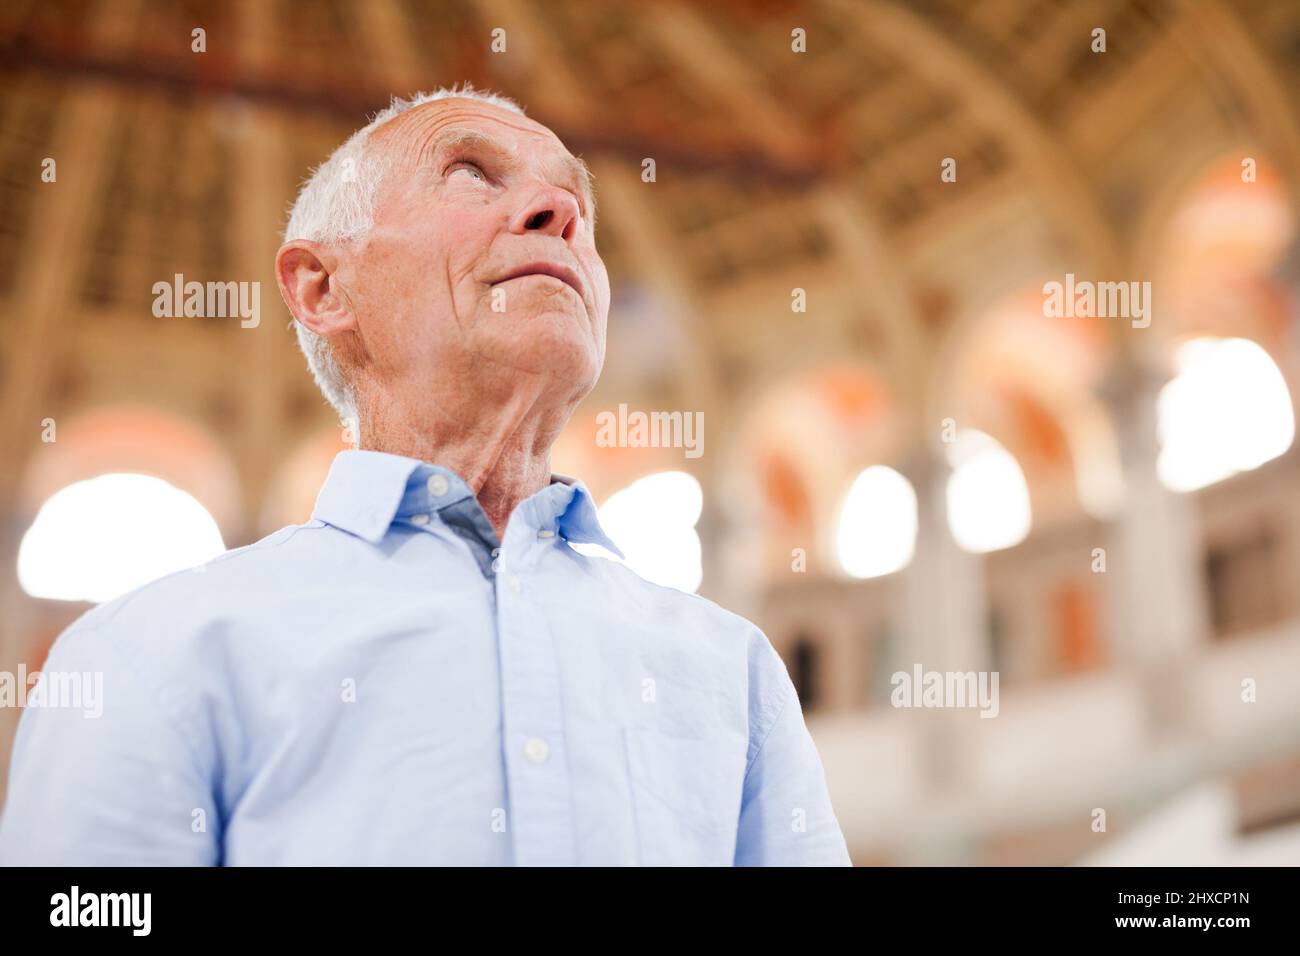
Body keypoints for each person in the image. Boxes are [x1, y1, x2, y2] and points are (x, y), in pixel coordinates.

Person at [0, 85, 850, 866]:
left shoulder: (732, 671)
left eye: (580, 207)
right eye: (472, 171)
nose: (560, 213)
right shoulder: (147, 657)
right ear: (324, 285)